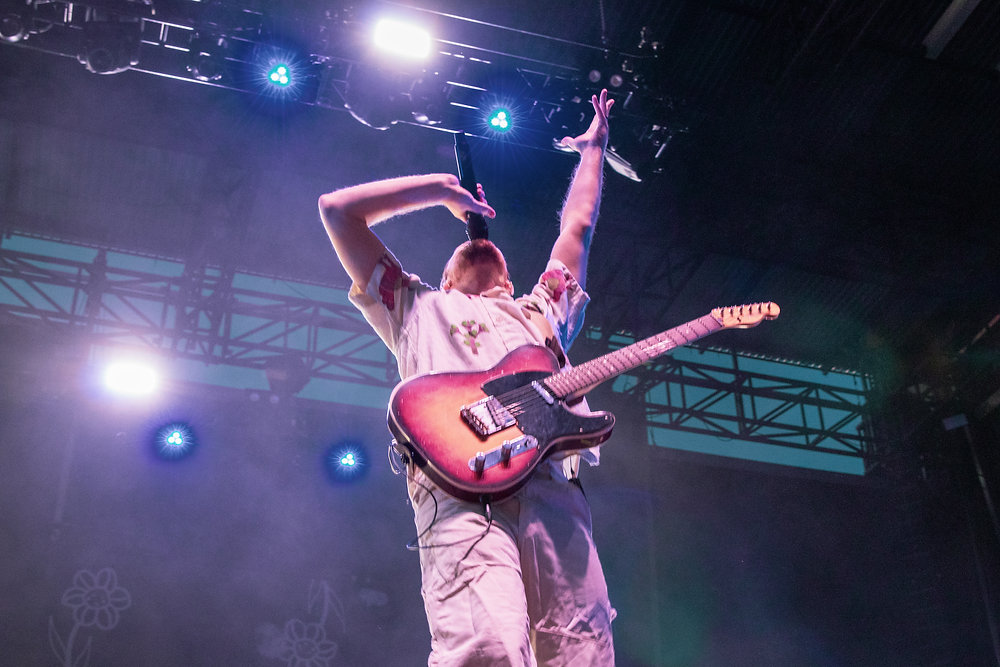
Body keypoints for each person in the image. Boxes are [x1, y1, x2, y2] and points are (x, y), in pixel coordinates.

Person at [319, 89, 616, 665]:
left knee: (581, 650)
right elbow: (338, 211)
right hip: (459, 492)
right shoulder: (415, 307)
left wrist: (592, 152)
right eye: (465, 255)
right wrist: (437, 190)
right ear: (446, 281)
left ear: (509, 279)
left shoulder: (539, 313)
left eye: (495, 256)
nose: (482, 249)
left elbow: (576, 229)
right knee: (487, 648)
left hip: (550, 489)